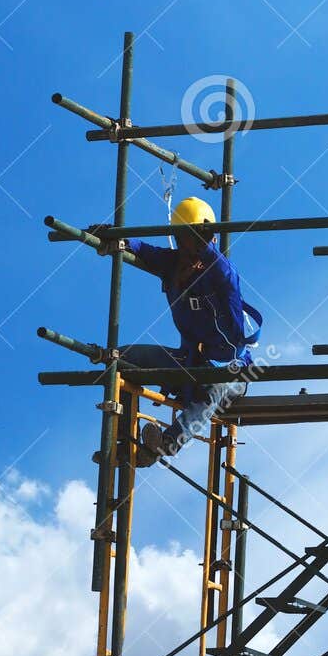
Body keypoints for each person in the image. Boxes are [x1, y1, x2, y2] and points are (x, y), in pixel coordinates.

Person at [111, 197, 262, 466]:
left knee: (210, 392)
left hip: (230, 369)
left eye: (202, 239)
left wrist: (207, 252)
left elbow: (224, 278)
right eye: (186, 239)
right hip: (190, 361)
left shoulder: (221, 273)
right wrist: (119, 240)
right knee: (120, 358)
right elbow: (144, 249)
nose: (194, 247)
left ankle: (165, 445)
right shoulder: (172, 264)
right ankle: (122, 442)